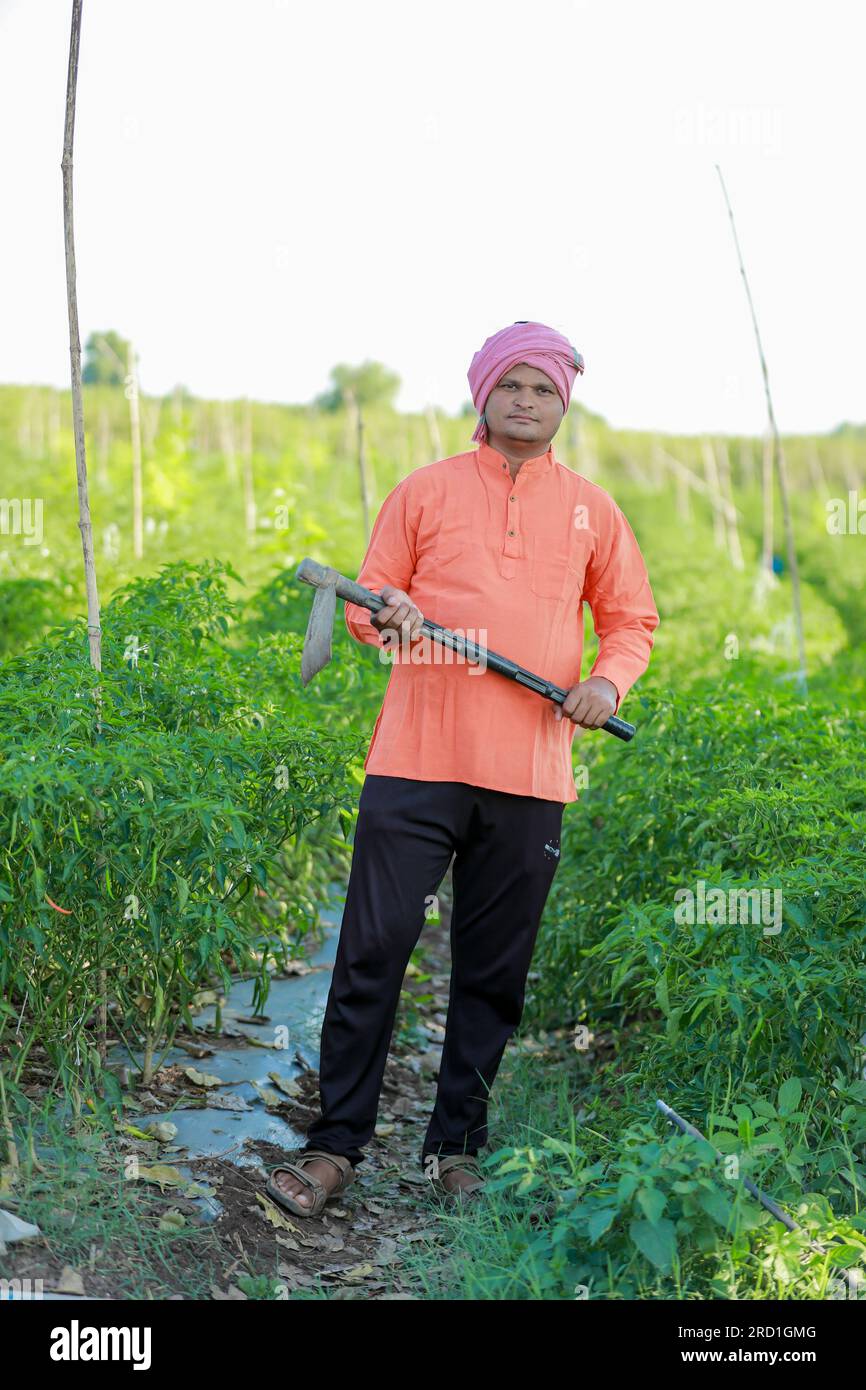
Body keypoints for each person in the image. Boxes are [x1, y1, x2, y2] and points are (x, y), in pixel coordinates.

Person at [270, 320, 660, 1212]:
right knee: (373, 950)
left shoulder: (592, 509)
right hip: (418, 760)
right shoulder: (426, 491)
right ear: (480, 393)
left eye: (544, 390)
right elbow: (370, 602)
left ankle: (458, 1151)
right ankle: (336, 1148)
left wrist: (606, 681)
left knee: (493, 970)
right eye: (511, 386)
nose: (526, 402)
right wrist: (391, 611)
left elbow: (632, 619)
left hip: (530, 771)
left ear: (565, 403)